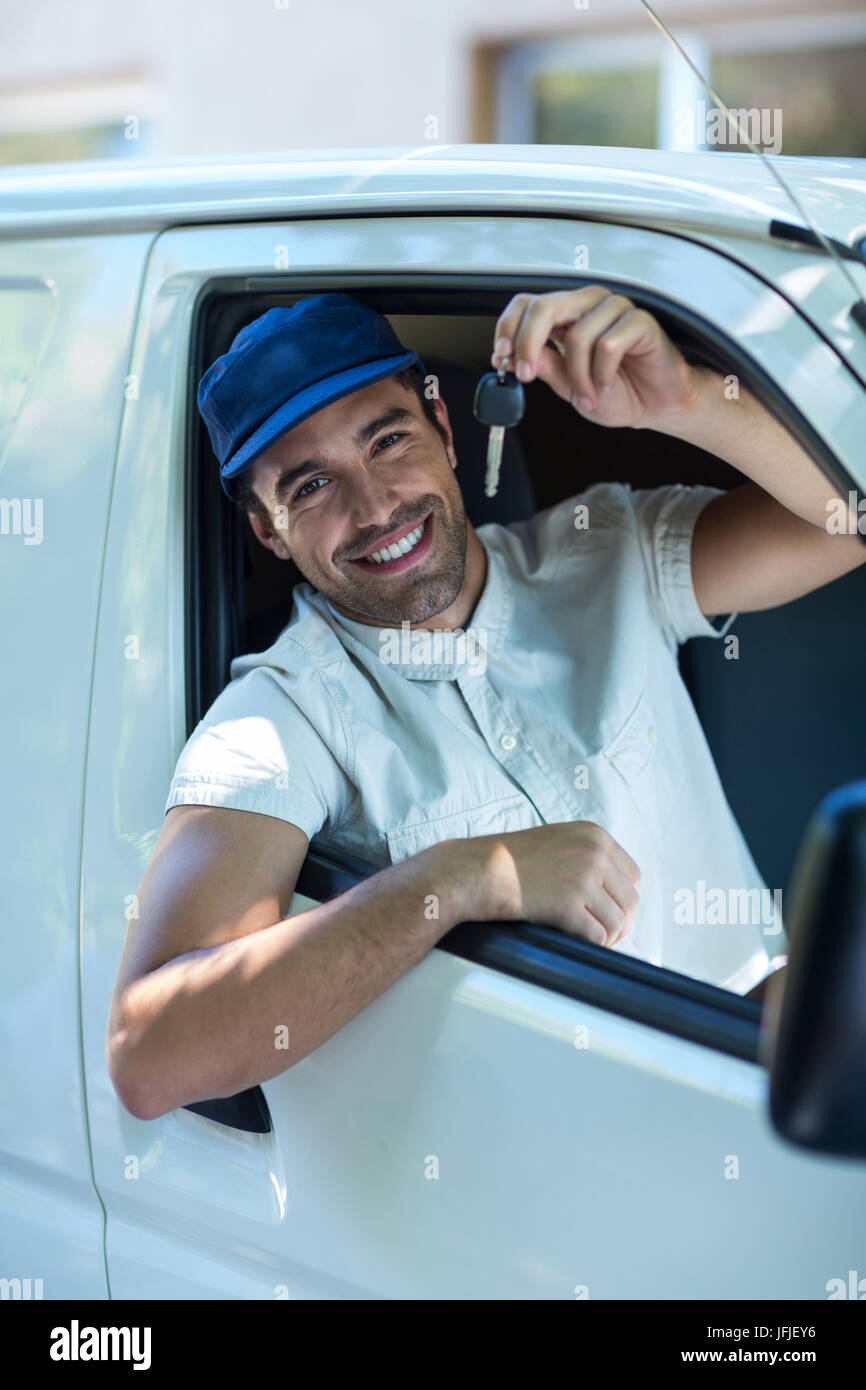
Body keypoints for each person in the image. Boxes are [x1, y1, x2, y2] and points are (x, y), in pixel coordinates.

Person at [106, 288, 864, 1120]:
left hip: (782, 1074)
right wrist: (460, 875)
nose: (376, 508)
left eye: (388, 439)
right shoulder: (279, 717)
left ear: (443, 425)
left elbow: (849, 521)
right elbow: (151, 1055)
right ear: (268, 530)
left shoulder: (606, 551)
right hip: (577, 1172)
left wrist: (688, 399)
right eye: (313, 486)